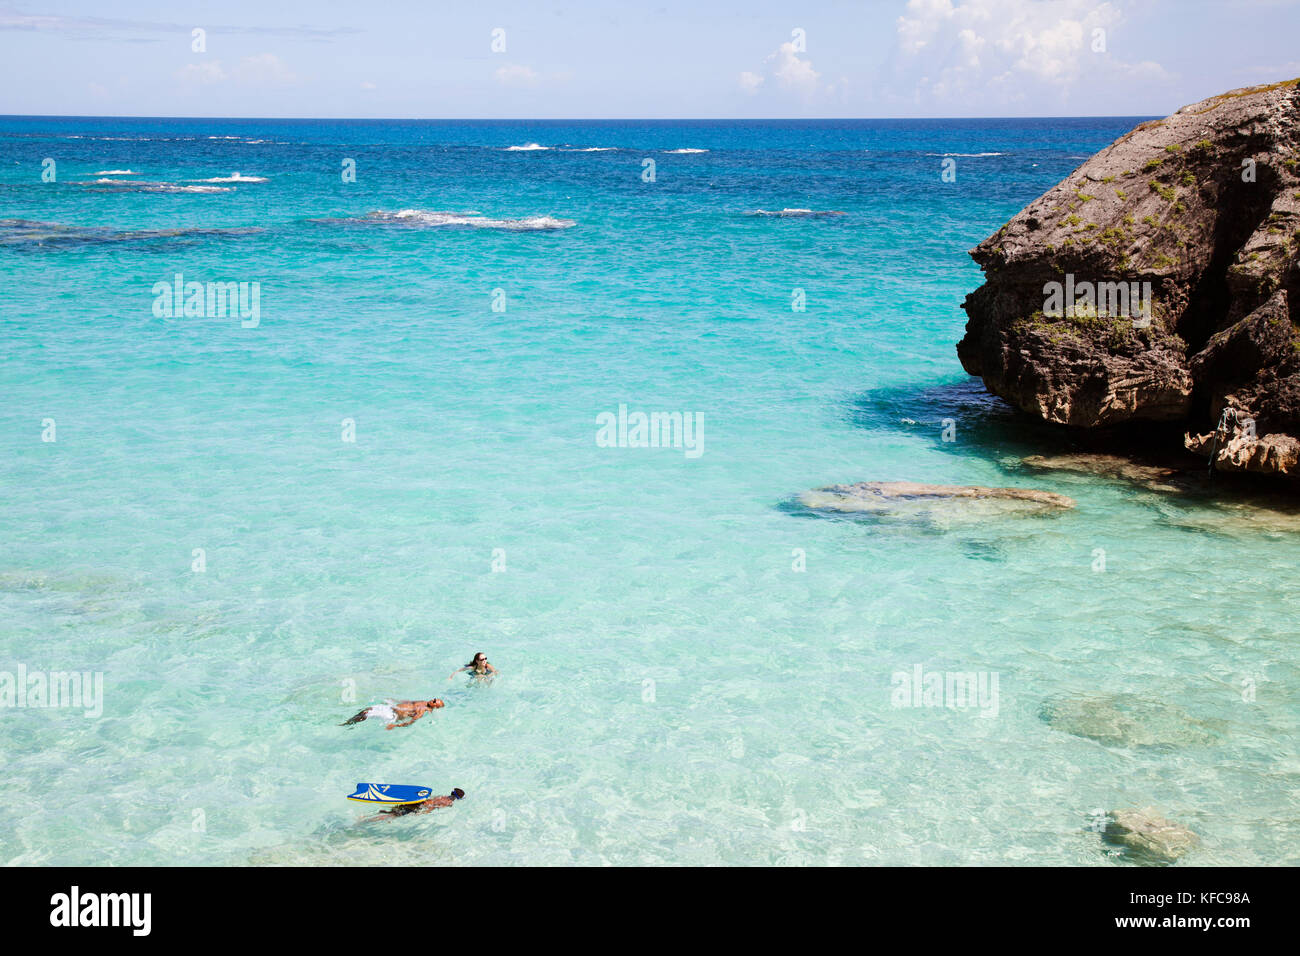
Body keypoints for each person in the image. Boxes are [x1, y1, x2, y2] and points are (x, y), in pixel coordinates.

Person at [364, 789, 465, 822]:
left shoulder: (442, 796)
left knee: (393, 811)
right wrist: (422, 813)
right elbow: (433, 807)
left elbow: (431, 800)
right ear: (458, 798)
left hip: (418, 802)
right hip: (419, 807)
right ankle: (367, 820)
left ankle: (366, 816)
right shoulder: (449, 803)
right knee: (393, 816)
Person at [341, 698, 444, 729]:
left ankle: (348, 724)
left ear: (435, 707)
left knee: (366, 714)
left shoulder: (423, 710)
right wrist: (393, 701)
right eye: (435, 699)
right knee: (366, 710)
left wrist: (395, 725)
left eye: (435, 702)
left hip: (391, 716)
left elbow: (411, 722)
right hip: (391, 708)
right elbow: (407, 702)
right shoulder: (422, 701)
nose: (433, 700)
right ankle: (350, 722)